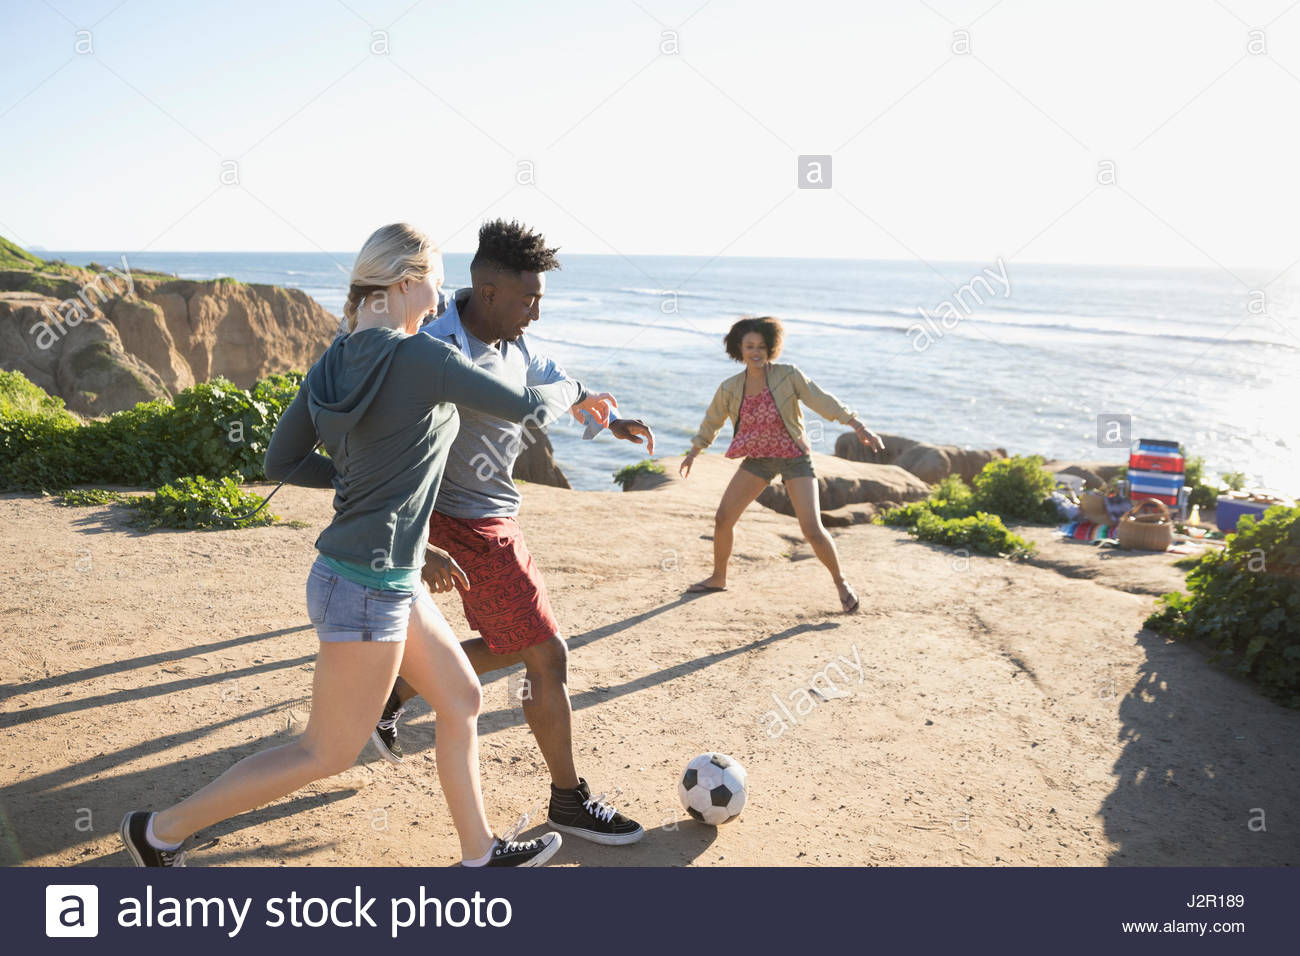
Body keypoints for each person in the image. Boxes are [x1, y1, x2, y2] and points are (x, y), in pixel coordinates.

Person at [119, 223, 584, 868]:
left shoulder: (336, 358)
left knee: (461, 697)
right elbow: (525, 406)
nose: (442, 298)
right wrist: (576, 391)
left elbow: (280, 460)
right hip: (368, 588)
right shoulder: (425, 358)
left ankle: (480, 852)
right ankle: (159, 830)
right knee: (326, 752)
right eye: (437, 284)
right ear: (404, 282)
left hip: (378, 574)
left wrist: (368, 491)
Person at [370, 219, 652, 847]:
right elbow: (386, 448)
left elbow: (560, 383)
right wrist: (421, 540)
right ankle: (568, 802)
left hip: (498, 516)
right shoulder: (435, 347)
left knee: (513, 640)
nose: (536, 314)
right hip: (462, 523)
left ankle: (395, 691)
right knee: (545, 653)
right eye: (529, 300)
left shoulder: (516, 344)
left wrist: (609, 418)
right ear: (489, 292)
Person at [679, 316, 883, 612]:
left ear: (771, 347)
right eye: (749, 346)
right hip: (757, 461)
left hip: (794, 459)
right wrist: (694, 451)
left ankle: (841, 583)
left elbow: (821, 399)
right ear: (739, 349)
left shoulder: (788, 375)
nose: (756, 351)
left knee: (812, 529)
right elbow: (713, 420)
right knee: (723, 517)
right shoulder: (731, 387)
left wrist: (858, 425)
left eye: (762, 345)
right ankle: (718, 577)